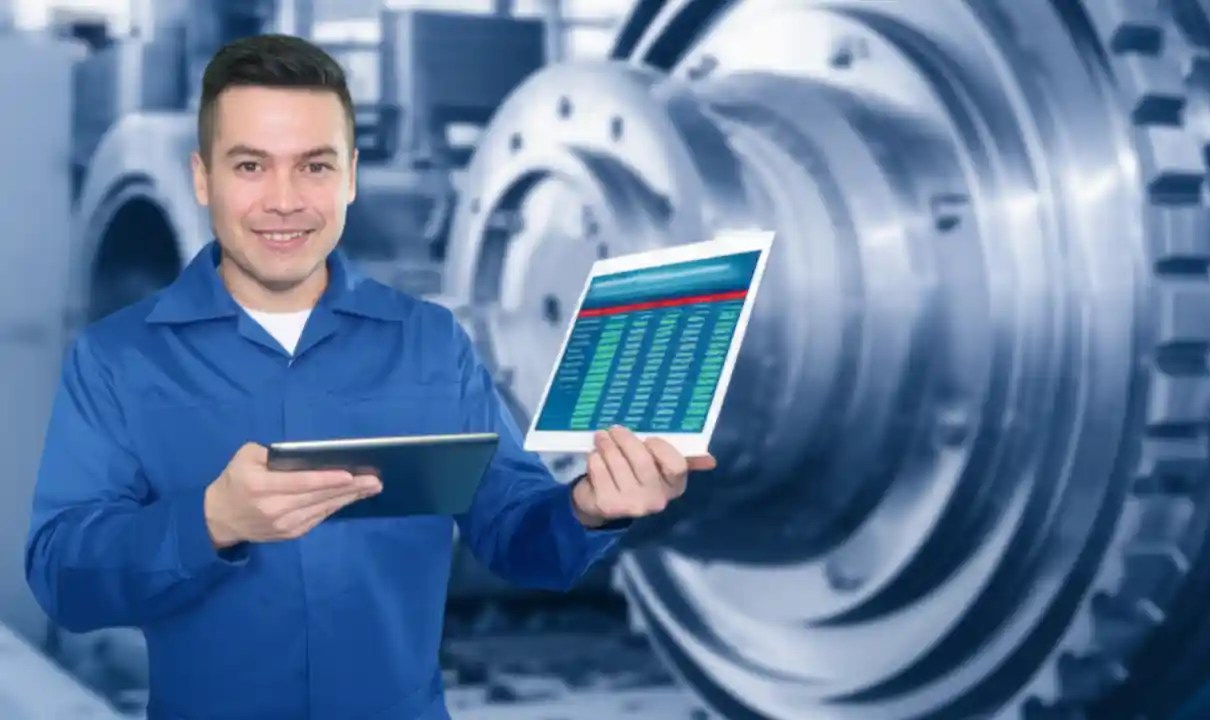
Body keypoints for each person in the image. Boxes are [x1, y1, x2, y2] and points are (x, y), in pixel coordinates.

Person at [24, 34, 716, 720]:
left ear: (350, 176)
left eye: (315, 167)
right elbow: (63, 578)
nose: (285, 200)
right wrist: (210, 522)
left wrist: (589, 507)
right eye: (250, 166)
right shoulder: (119, 359)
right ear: (203, 176)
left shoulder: (430, 343)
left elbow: (517, 533)